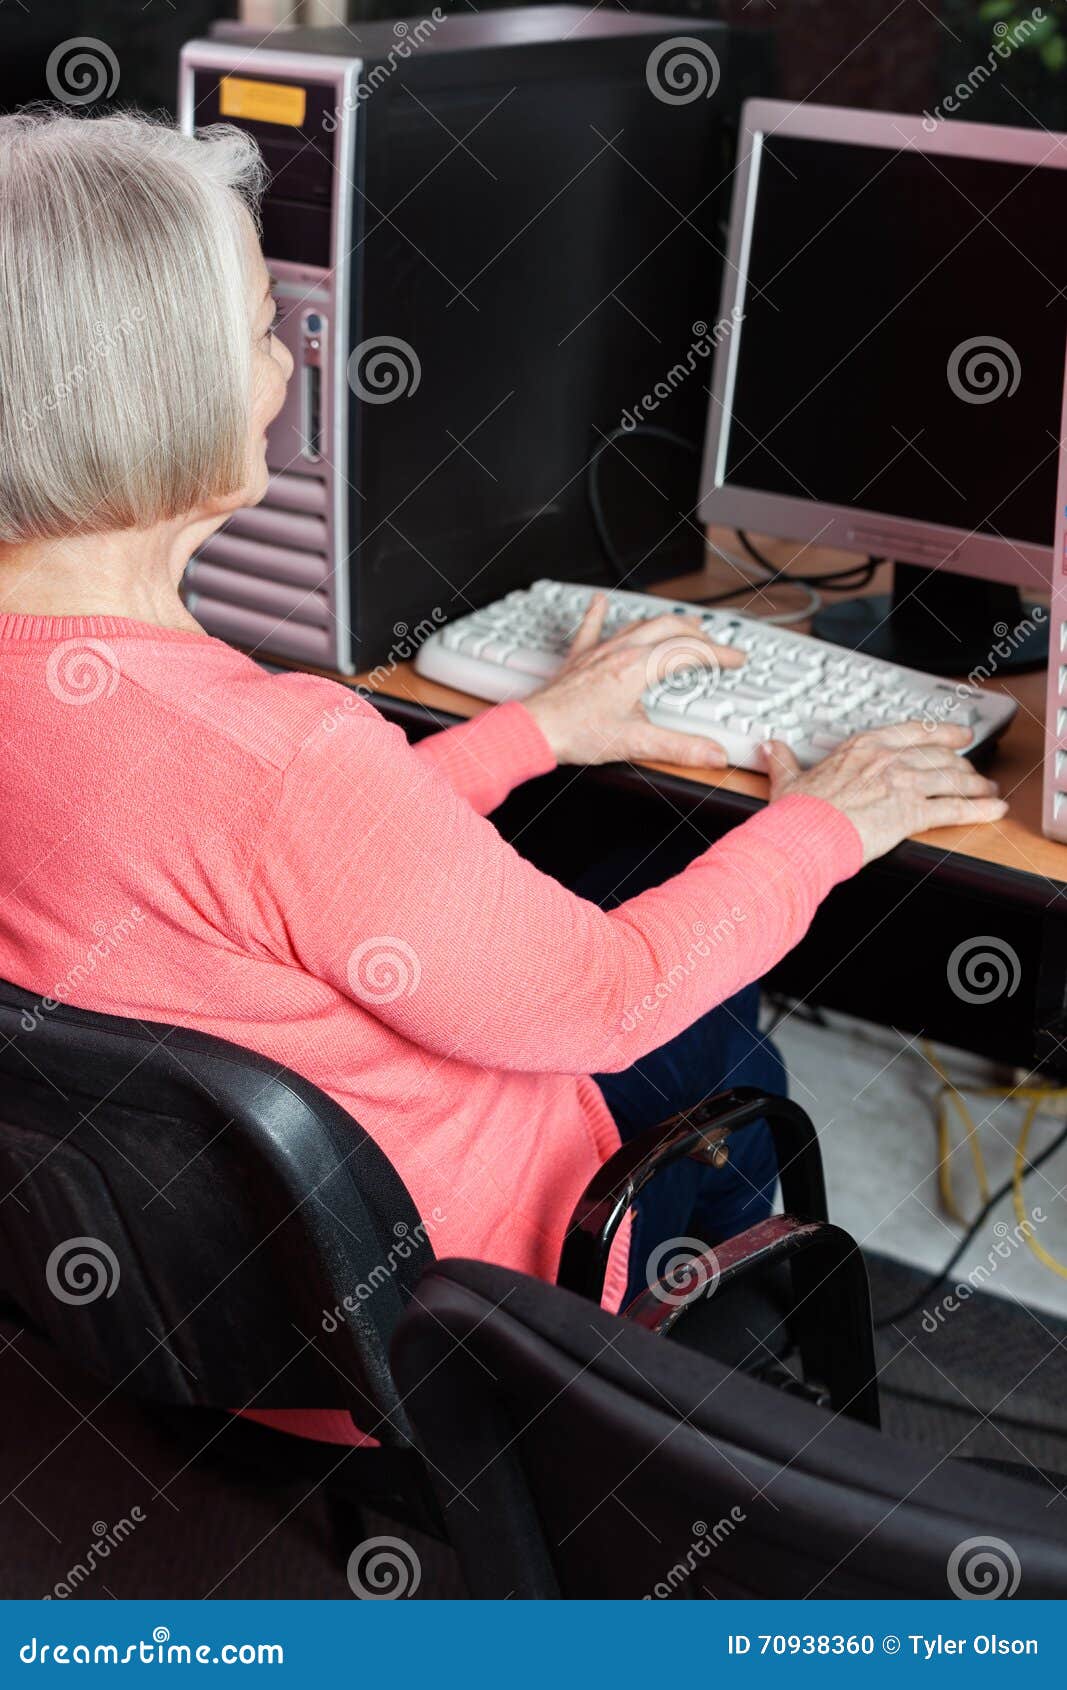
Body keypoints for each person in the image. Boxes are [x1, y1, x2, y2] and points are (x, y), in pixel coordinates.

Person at [0, 112, 1004, 1446]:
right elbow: (604, 993)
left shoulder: (177, 724)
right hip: (433, 1326)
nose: (285, 373)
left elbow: (268, 855)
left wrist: (544, 729)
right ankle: (692, 1417)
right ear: (158, 391)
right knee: (709, 1001)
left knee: (630, 862)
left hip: (179, 1303)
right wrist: (833, 818)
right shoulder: (283, 754)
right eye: (257, 332)